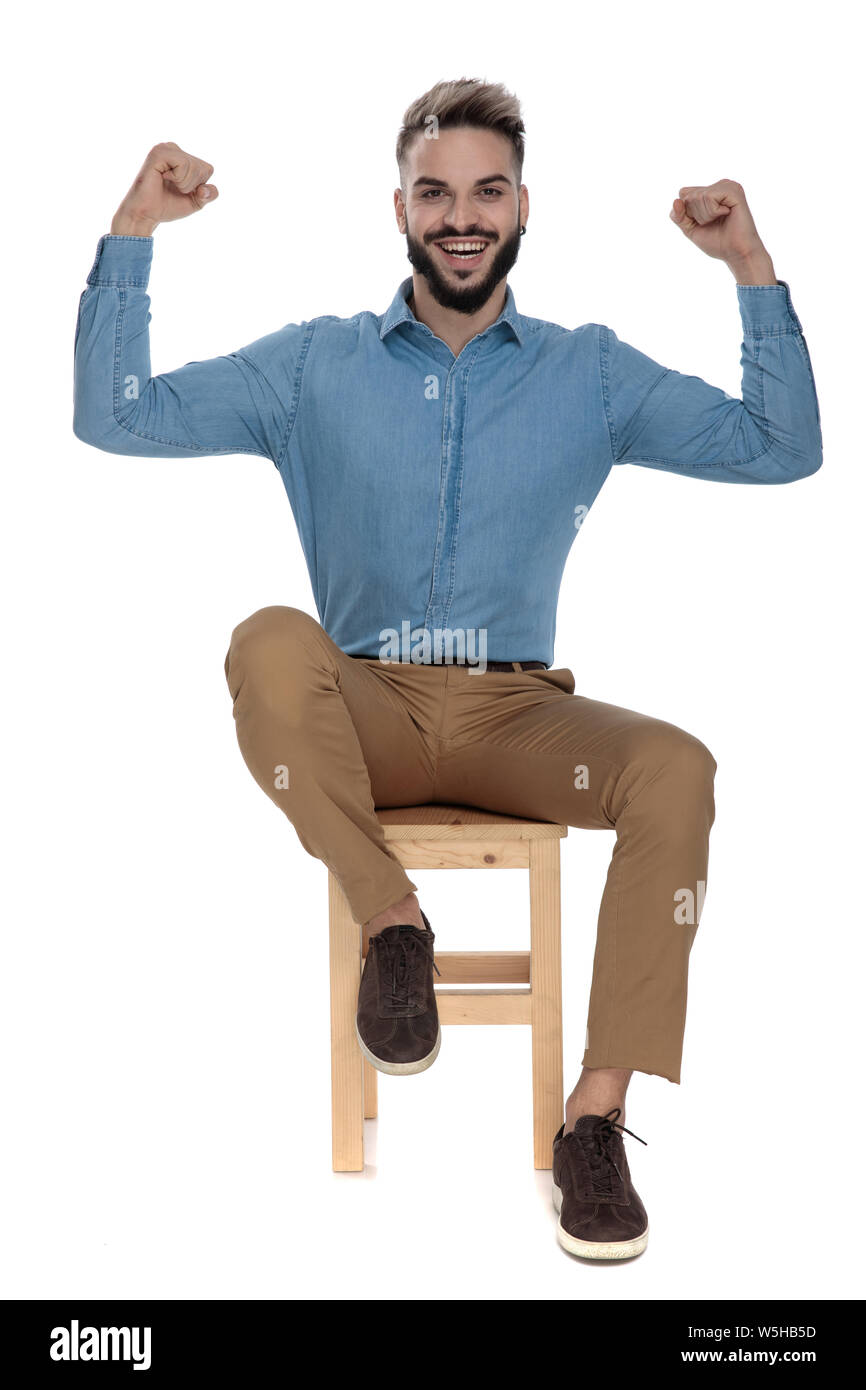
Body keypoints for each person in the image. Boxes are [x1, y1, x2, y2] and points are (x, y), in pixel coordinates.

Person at [72, 78, 823, 1262]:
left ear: (523, 205)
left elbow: (782, 450)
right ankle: (394, 923)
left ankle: (595, 1115)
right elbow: (115, 416)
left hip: (514, 714)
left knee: (675, 766)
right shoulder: (312, 363)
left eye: (484, 191)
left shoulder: (589, 373)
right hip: (355, 710)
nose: (459, 215)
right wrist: (133, 233)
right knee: (267, 636)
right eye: (434, 193)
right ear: (399, 209)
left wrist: (748, 267)